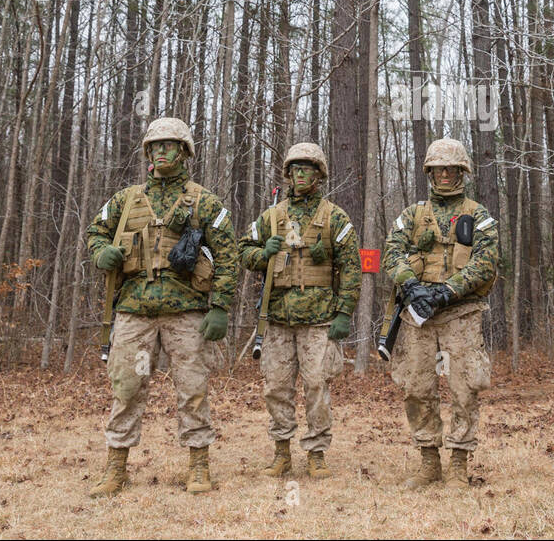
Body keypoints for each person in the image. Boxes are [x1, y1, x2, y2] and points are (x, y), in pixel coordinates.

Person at [84, 117, 238, 496]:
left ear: (185, 152)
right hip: (134, 311)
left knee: (193, 388)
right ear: (147, 153)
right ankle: (116, 466)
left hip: (186, 312)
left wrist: (220, 307)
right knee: (127, 387)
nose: (162, 151)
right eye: (155, 146)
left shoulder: (205, 201)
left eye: (170, 145)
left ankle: (199, 464)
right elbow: (95, 232)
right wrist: (102, 252)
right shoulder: (125, 199)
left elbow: (228, 256)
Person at [383, 138, 497, 489]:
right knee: (417, 388)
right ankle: (429, 461)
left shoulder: (478, 215)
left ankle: (459, 464)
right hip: (418, 316)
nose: (445, 175)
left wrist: (447, 291)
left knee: (464, 389)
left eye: (451, 169)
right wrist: (412, 287)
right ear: (429, 172)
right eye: (438, 169)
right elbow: (392, 251)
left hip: (460, 313)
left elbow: (487, 262)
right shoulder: (412, 215)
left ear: (462, 172)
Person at [240, 143, 360, 479]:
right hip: (277, 320)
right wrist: (263, 252)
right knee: (276, 388)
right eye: (295, 169)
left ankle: (317, 453)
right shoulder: (273, 216)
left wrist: (343, 314)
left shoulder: (334, 217)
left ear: (319, 174)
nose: (300, 174)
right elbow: (244, 251)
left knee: (317, 388)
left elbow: (351, 268)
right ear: (288, 174)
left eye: (307, 168)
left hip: (319, 321)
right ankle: (281, 453)